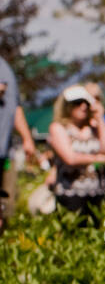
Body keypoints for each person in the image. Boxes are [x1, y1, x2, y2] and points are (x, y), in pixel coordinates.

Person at [47, 85, 105, 220]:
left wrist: (100, 119)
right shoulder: (58, 128)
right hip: (70, 197)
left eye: (86, 102)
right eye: (77, 103)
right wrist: (98, 158)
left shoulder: (95, 127)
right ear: (66, 106)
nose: (83, 106)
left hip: (98, 195)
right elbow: (70, 159)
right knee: (72, 237)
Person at [0, 56, 48, 231]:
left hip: (5, 152)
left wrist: (27, 139)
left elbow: (15, 107)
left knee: (6, 205)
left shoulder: (5, 68)